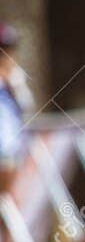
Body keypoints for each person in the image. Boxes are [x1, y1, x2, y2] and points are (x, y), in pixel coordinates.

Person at [0, 24, 33, 202]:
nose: (7, 57)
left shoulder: (16, 80)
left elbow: (27, 108)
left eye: (9, 51)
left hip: (15, 154)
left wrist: (15, 86)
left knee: (11, 203)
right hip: (3, 157)